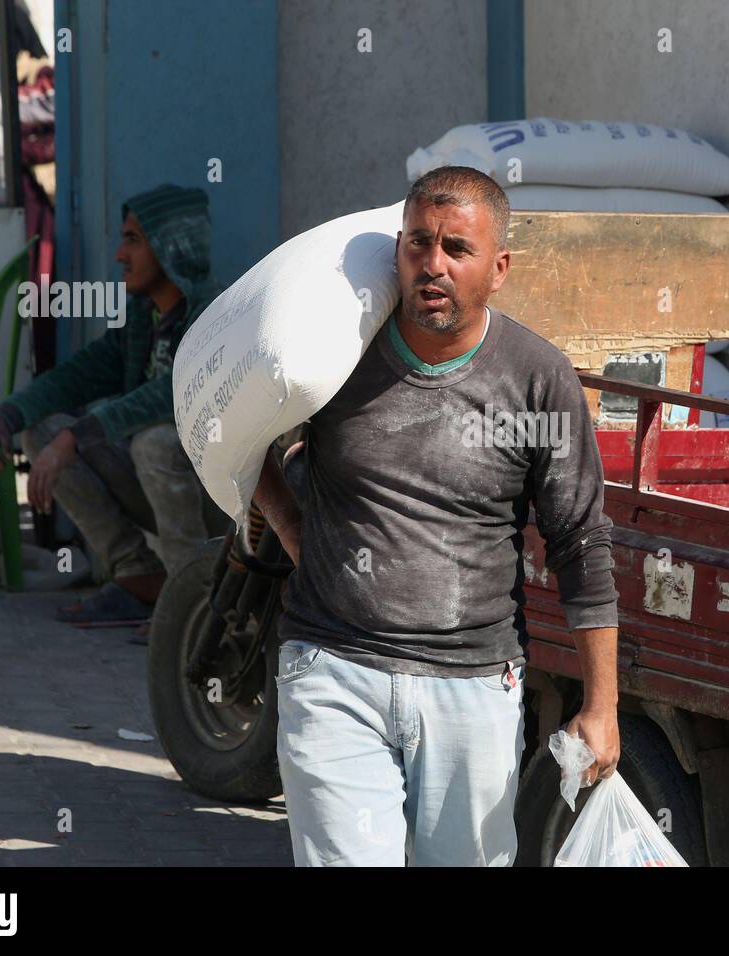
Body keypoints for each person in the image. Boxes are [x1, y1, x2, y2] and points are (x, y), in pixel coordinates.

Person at [252, 166, 621, 866]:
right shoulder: (336, 353)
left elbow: (579, 543)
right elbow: (242, 438)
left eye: (458, 248)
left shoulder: (539, 379)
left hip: (474, 688)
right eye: (418, 244)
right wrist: (296, 532)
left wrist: (601, 706)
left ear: (499, 267)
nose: (434, 265)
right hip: (335, 671)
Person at [0, 183, 220, 626]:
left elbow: (172, 393)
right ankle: (138, 575)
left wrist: (77, 436)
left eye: (133, 241)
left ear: (170, 246)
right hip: (155, 490)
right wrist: (3, 419)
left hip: (221, 509)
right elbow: (75, 376)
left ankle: (193, 607)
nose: (120, 255)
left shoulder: (214, 315)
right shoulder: (142, 322)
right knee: (40, 431)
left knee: (154, 441)